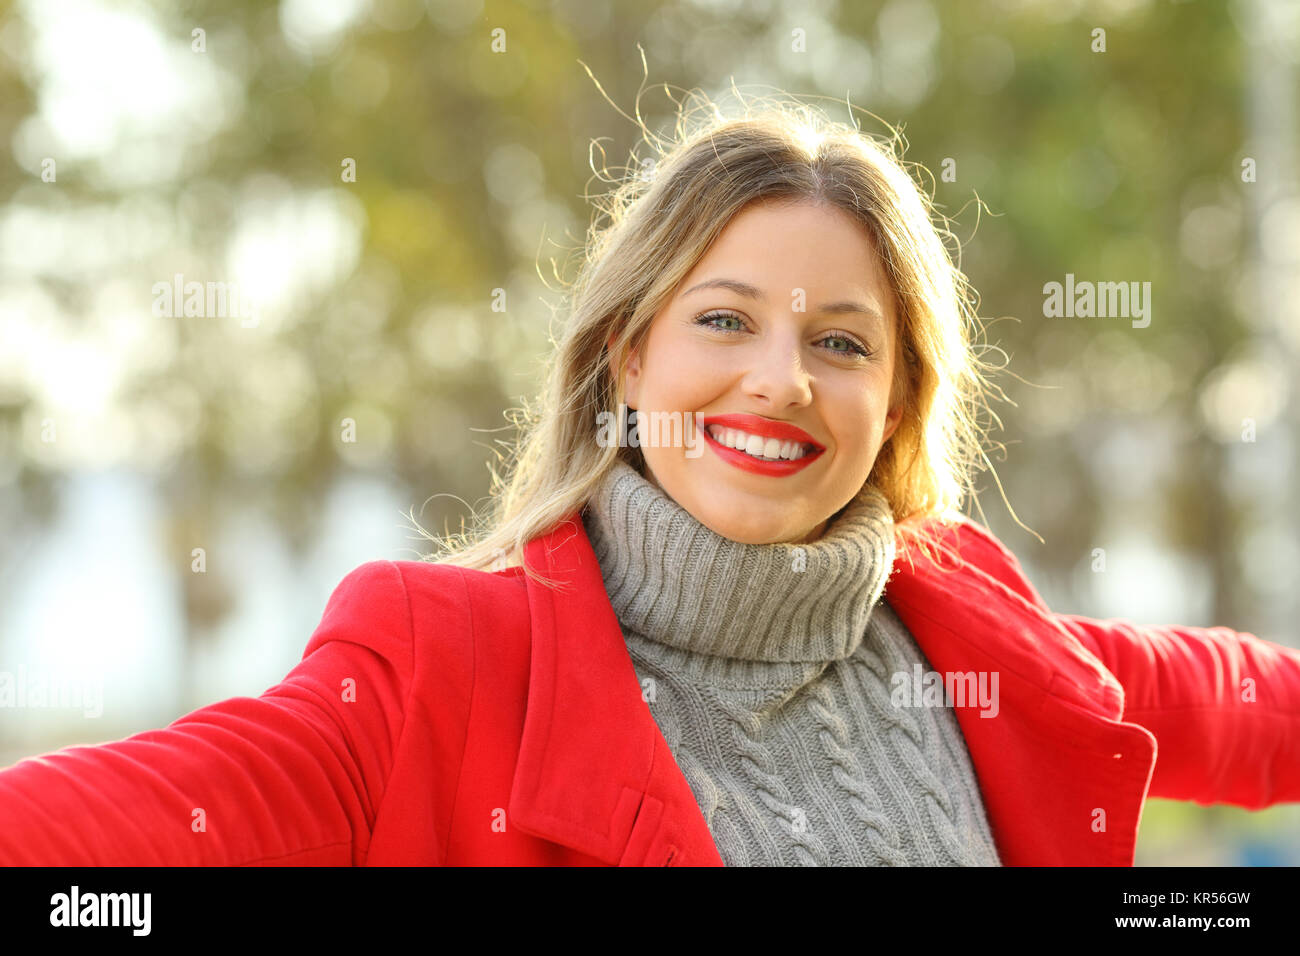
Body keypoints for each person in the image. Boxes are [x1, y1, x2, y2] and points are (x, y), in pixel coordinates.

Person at [2, 94, 1297, 867]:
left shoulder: (983, 640)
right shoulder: (444, 667)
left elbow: (1253, 710)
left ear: (895, 400)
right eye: (724, 321)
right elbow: (122, 826)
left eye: (841, 342)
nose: (783, 379)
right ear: (628, 356)